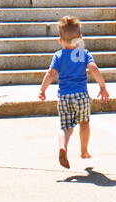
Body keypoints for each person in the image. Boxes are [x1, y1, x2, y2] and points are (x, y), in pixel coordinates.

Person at [37, 16, 110, 168]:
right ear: (80, 39)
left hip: (63, 97)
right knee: (84, 122)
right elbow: (94, 69)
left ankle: (62, 147)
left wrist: (42, 89)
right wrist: (102, 87)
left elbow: (51, 73)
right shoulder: (84, 53)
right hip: (81, 95)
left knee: (65, 127)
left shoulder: (58, 56)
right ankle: (84, 150)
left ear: (60, 40)